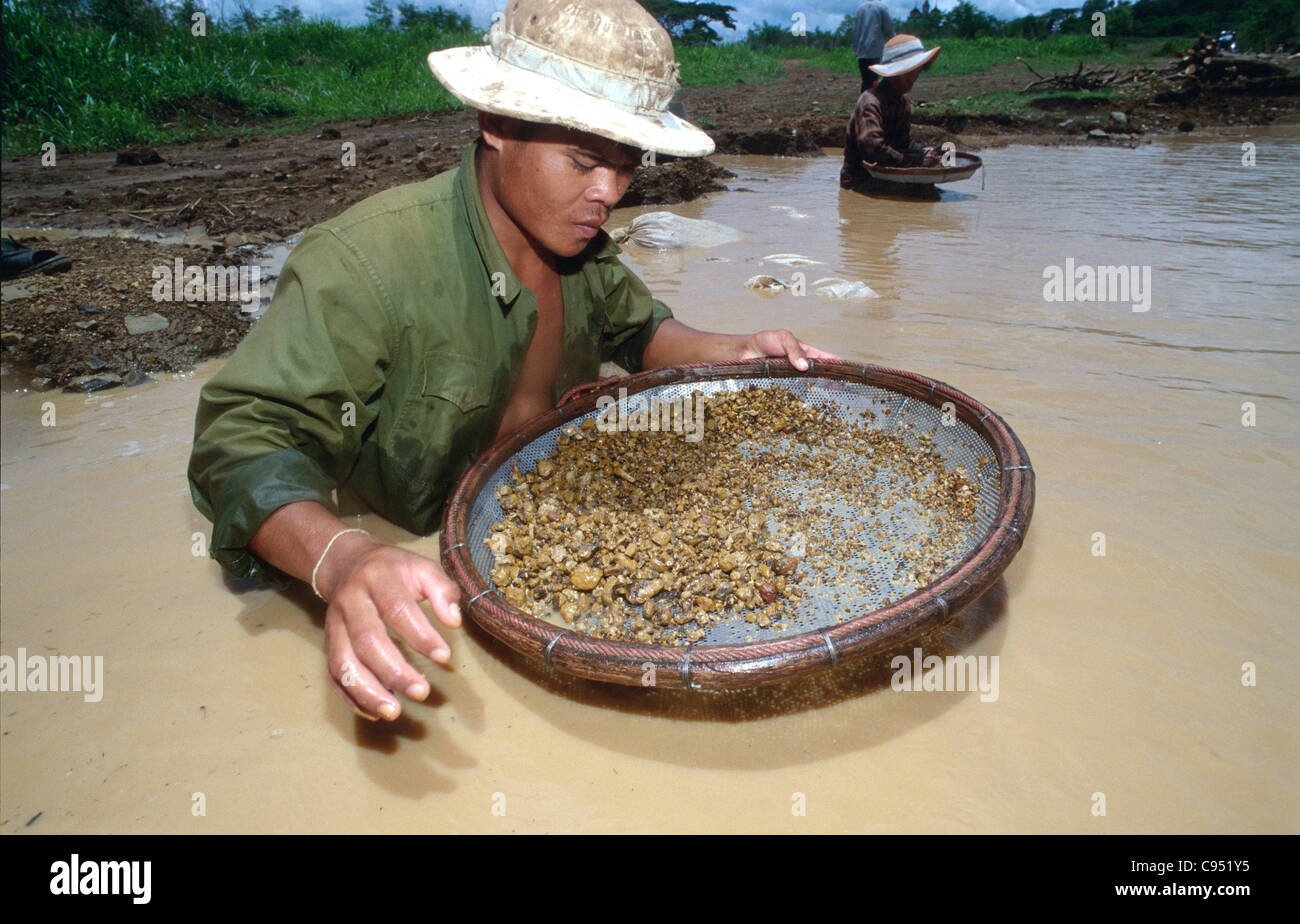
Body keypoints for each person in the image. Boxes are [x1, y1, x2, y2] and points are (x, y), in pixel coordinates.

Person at [187, 0, 839, 722]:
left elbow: (642, 332)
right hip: (423, 549)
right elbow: (242, 439)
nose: (609, 194)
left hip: (553, 522)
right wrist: (343, 559)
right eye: (585, 161)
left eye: (625, 168)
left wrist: (736, 348)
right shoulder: (365, 265)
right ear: (496, 125)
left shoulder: (582, 248)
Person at [841, 33, 943, 189]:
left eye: (916, 72)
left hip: (890, 176)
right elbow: (872, 146)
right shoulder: (870, 102)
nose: (913, 78)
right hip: (860, 181)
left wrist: (924, 152)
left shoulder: (903, 102)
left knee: (929, 190)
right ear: (893, 74)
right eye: (908, 73)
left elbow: (903, 142)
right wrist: (915, 162)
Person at [851, 1, 896, 94]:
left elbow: (856, 29)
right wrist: (895, 39)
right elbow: (889, 28)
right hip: (874, 49)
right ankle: (871, 102)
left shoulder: (861, 8)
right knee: (873, 79)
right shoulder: (881, 7)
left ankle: (864, 101)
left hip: (861, 49)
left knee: (865, 79)